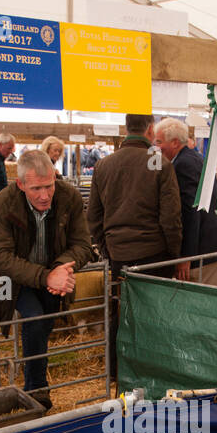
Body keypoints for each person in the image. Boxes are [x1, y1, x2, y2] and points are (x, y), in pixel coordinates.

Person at [0, 149, 94, 410]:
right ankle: (37, 390)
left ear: (55, 178)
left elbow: (82, 244)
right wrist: (48, 276)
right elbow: (0, 257)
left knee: (44, 321)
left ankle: (34, 382)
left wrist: (59, 268)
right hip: (16, 280)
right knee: (34, 317)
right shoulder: (3, 203)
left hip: (52, 273)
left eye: (49, 186)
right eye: (36, 188)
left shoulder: (69, 197)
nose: (44, 195)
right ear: (20, 184)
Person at [87, 114, 181, 378]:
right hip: (155, 256)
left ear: (126, 129)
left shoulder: (104, 164)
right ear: (150, 130)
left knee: (120, 312)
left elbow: (93, 216)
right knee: (155, 315)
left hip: (119, 255)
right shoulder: (158, 163)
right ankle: (152, 372)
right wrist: (173, 255)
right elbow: (170, 217)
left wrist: (107, 248)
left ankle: (117, 372)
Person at [153, 117, 217, 286]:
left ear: (175, 142)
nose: (157, 147)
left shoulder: (183, 165)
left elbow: (191, 211)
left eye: (160, 142)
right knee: (216, 305)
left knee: (200, 305)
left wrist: (186, 256)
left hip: (205, 251)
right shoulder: (196, 159)